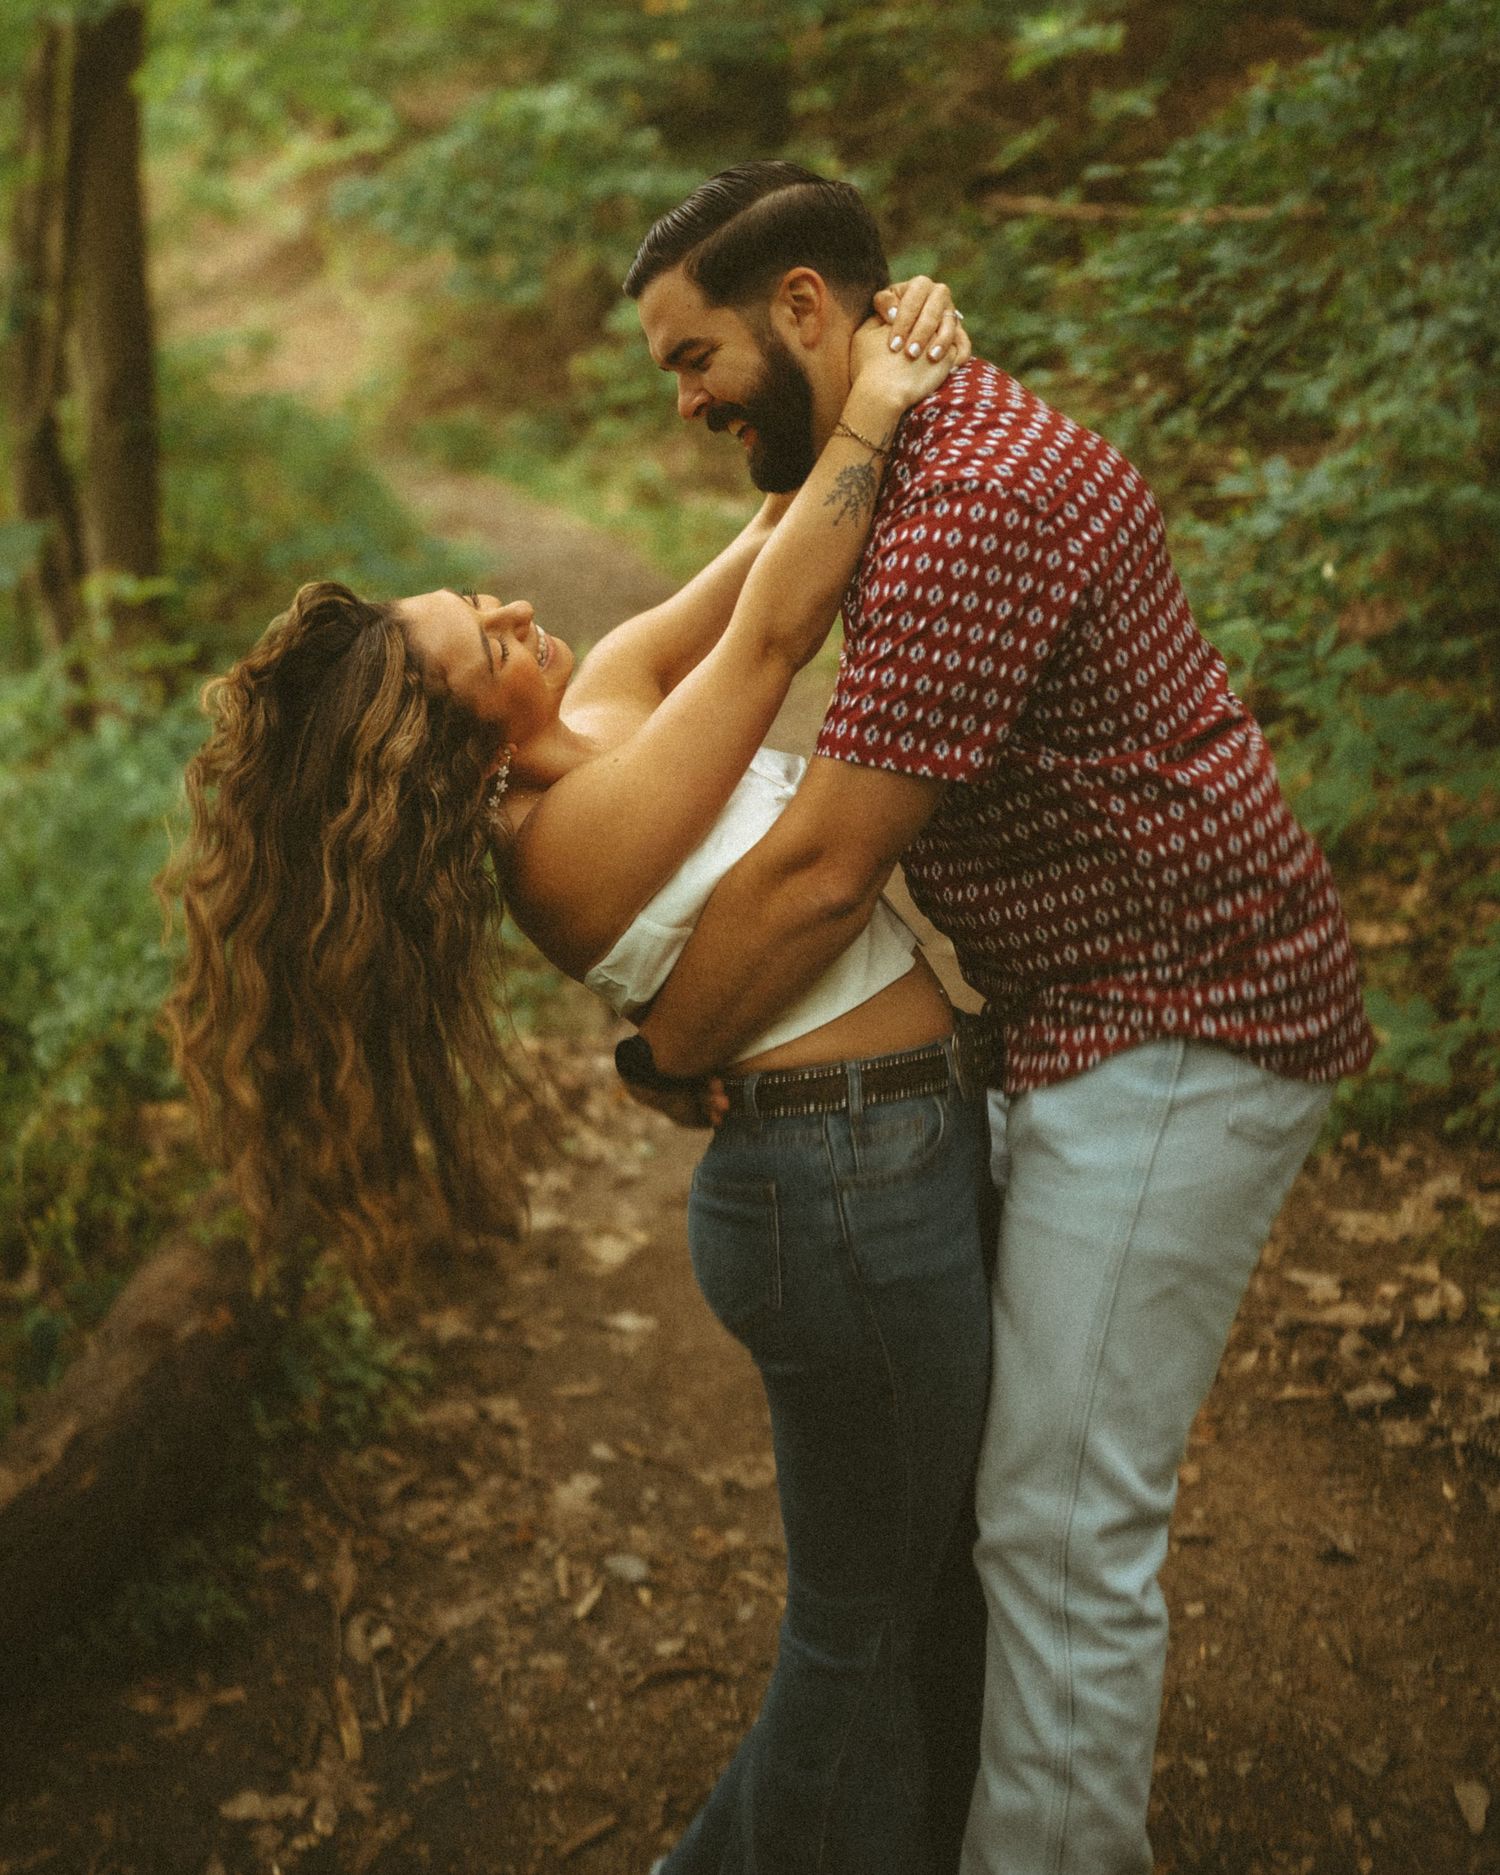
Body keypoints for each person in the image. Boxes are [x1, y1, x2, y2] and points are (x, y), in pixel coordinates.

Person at [162, 285, 995, 1872]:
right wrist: (881, 412)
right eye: (477, 639)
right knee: (858, 1626)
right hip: (837, 1199)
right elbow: (774, 637)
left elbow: (771, 536)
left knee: (916, 1586)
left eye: (478, 593)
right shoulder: (556, 849)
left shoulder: (609, 687)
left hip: (872, 1168)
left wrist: (878, 350)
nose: (510, 608)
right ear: (442, 749)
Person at [619, 162, 1376, 1875]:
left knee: (1061, 1521)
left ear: (802, 308)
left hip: (1186, 1019)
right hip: (1080, 1017)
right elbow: (735, 645)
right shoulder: (901, 448)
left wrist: (663, 1051)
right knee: (1013, 1500)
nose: (684, 402)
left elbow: (826, 870)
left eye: (693, 357)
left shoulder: (972, 497)